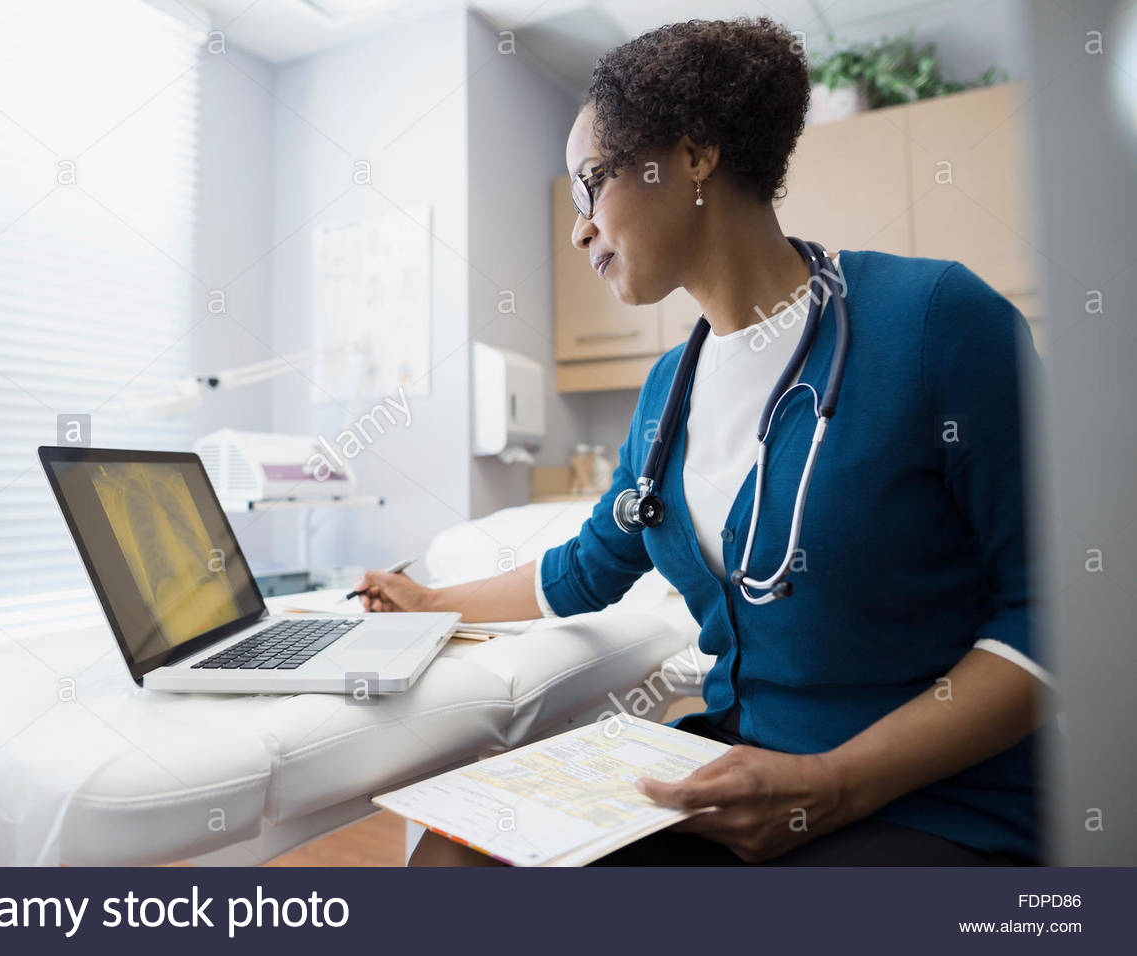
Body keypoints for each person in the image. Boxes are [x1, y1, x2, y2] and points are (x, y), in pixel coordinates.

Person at [353, 17, 1051, 866]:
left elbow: (1054, 618)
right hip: (736, 775)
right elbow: (583, 568)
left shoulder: (937, 321)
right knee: (455, 860)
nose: (577, 230)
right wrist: (432, 601)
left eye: (591, 186)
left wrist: (834, 783)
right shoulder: (664, 398)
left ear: (691, 156)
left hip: (932, 804)